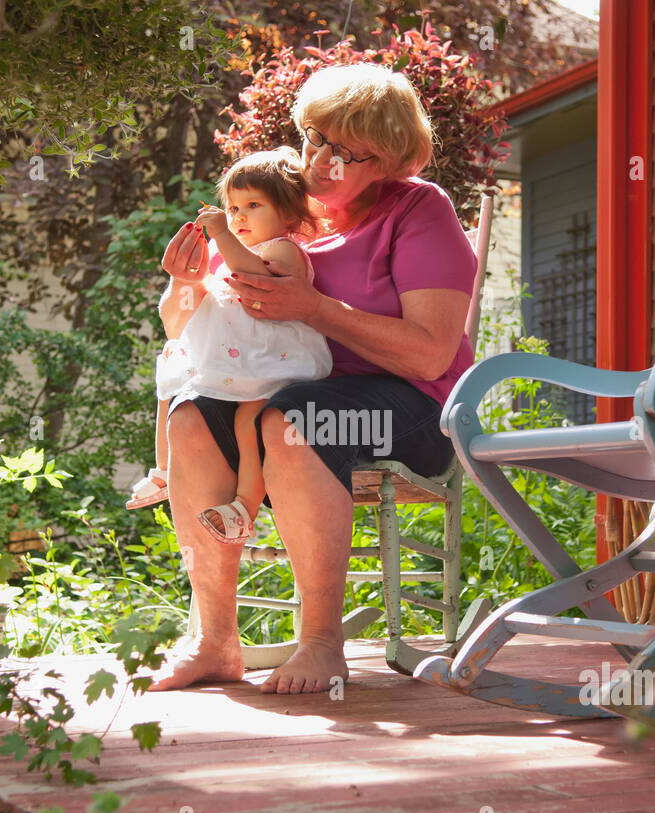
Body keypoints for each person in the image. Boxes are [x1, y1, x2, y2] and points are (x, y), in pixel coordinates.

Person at [149, 62, 477, 694]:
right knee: (190, 414)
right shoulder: (272, 210)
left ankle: (322, 642)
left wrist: (317, 309)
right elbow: (192, 324)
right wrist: (184, 283)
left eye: (347, 152)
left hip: (410, 409)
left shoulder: (417, 209)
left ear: (388, 162)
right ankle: (215, 641)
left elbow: (431, 355)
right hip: (280, 398)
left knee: (296, 418)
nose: (321, 160)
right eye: (315, 139)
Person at [126, 148, 331, 543]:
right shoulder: (225, 252)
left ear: (289, 213)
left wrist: (220, 234)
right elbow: (200, 303)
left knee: (249, 421)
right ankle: (164, 471)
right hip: (233, 357)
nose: (238, 217)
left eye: (253, 205)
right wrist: (191, 278)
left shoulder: (284, 248)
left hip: (272, 361)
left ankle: (243, 507)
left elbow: (258, 280)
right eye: (233, 208)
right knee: (172, 382)